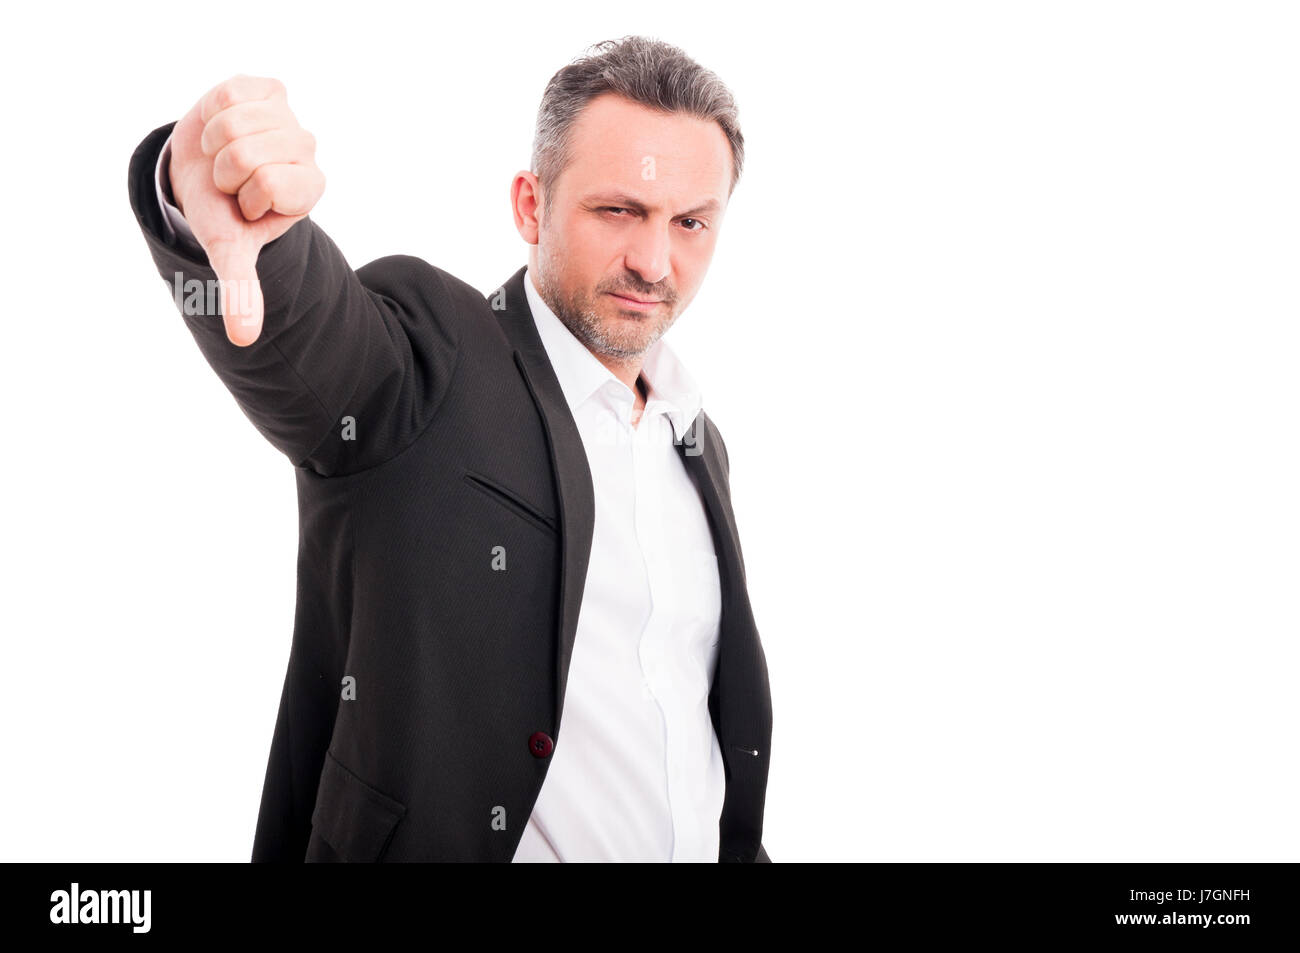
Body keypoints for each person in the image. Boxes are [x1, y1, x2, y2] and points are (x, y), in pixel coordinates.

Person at [127, 35, 773, 862]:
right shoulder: (436, 358)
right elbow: (325, 345)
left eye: (690, 223)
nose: (654, 260)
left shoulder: (697, 442)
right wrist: (212, 197)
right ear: (531, 206)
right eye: (619, 210)